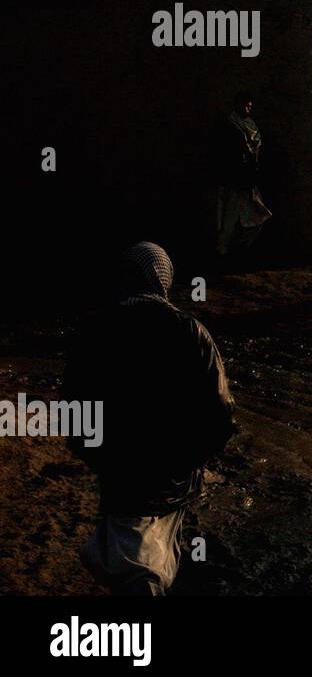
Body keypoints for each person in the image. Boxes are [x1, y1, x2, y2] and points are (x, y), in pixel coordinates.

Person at [63, 241, 236, 596]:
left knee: (131, 552)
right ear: (162, 279)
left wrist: (94, 454)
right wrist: (193, 458)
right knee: (152, 561)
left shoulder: (95, 330)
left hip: (117, 468)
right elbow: (219, 411)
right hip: (173, 473)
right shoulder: (190, 332)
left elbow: (73, 407)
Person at [214, 93, 272, 256]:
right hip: (235, 180)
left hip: (248, 180)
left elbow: (255, 151)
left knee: (256, 216)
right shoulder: (230, 127)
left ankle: (238, 250)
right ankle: (224, 251)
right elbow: (228, 155)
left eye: (250, 106)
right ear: (237, 105)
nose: (247, 108)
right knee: (230, 219)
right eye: (245, 105)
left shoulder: (250, 126)